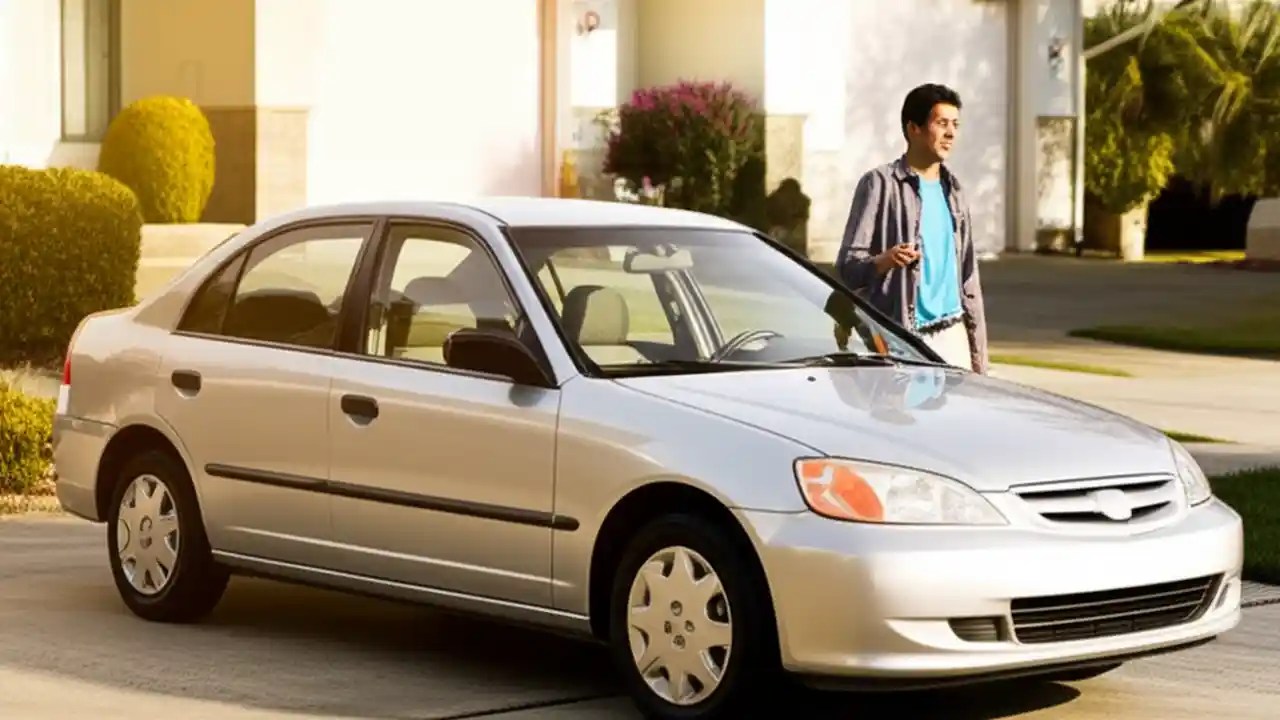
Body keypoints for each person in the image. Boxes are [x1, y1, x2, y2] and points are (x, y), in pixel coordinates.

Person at [834, 83, 989, 374]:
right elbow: (846, 268)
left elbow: (969, 281)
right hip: (901, 339)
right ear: (913, 128)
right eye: (941, 123)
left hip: (952, 336)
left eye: (955, 124)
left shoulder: (955, 191)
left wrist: (978, 357)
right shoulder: (879, 185)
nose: (951, 133)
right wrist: (884, 261)